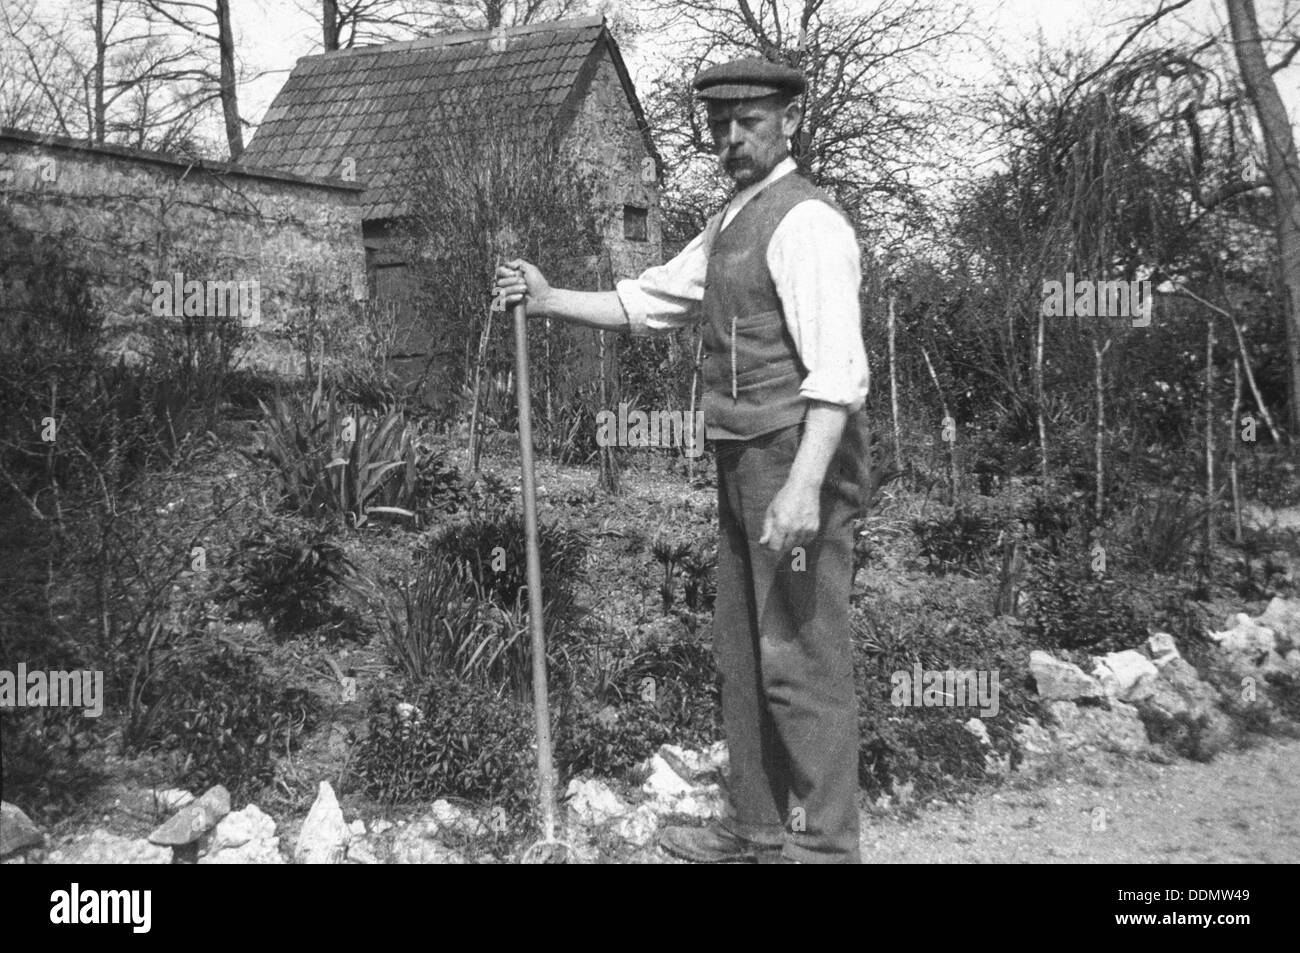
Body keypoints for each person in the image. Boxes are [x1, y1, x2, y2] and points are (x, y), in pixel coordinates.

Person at [493, 56, 871, 864]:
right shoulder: (734, 219)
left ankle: (826, 849)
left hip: (797, 462)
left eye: (752, 122)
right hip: (741, 460)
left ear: (790, 121)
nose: (733, 138)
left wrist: (804, 489)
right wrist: (551, 296)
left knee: (802, 661)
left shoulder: (808, 223)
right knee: (744, 655)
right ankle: (758, 830)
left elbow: (838, 375)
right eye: (721, 125)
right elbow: (652, 299)